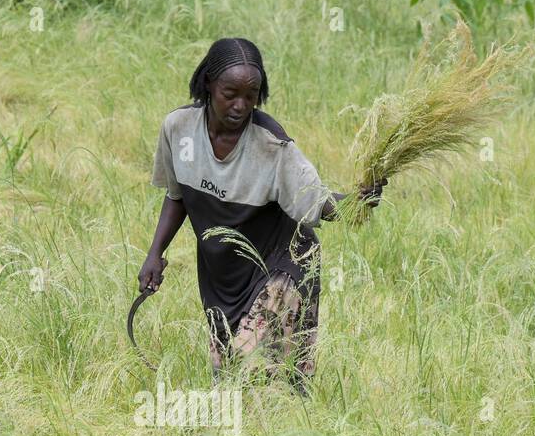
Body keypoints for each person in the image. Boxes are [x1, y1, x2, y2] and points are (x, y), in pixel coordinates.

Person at [140, 37, 385, 391]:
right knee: (229, 375)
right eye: (230, 93)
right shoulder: (178, 129)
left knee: (252, 370)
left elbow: (316, 200)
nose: (241, 105)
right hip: (222, 272)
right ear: (208, 83)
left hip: (281, 264)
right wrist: (154, 253)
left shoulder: (272, 146)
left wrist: (355, 203)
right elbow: (177, 196)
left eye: (251, 94)